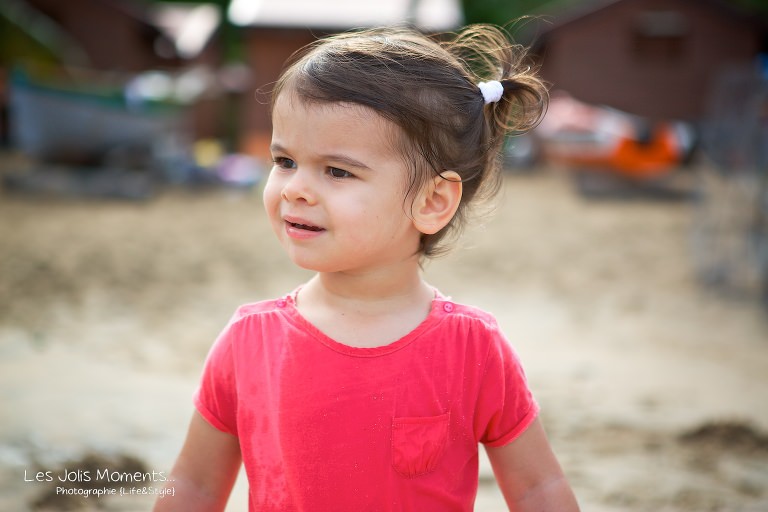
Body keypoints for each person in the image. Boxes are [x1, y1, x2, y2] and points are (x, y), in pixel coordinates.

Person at [155, 24, 580, 512]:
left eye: (337, 171)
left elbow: (537, 488)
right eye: (285, 160)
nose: (295, 188)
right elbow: (194, 486)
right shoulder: (250, 340)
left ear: (433, 200)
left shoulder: (472, 347)